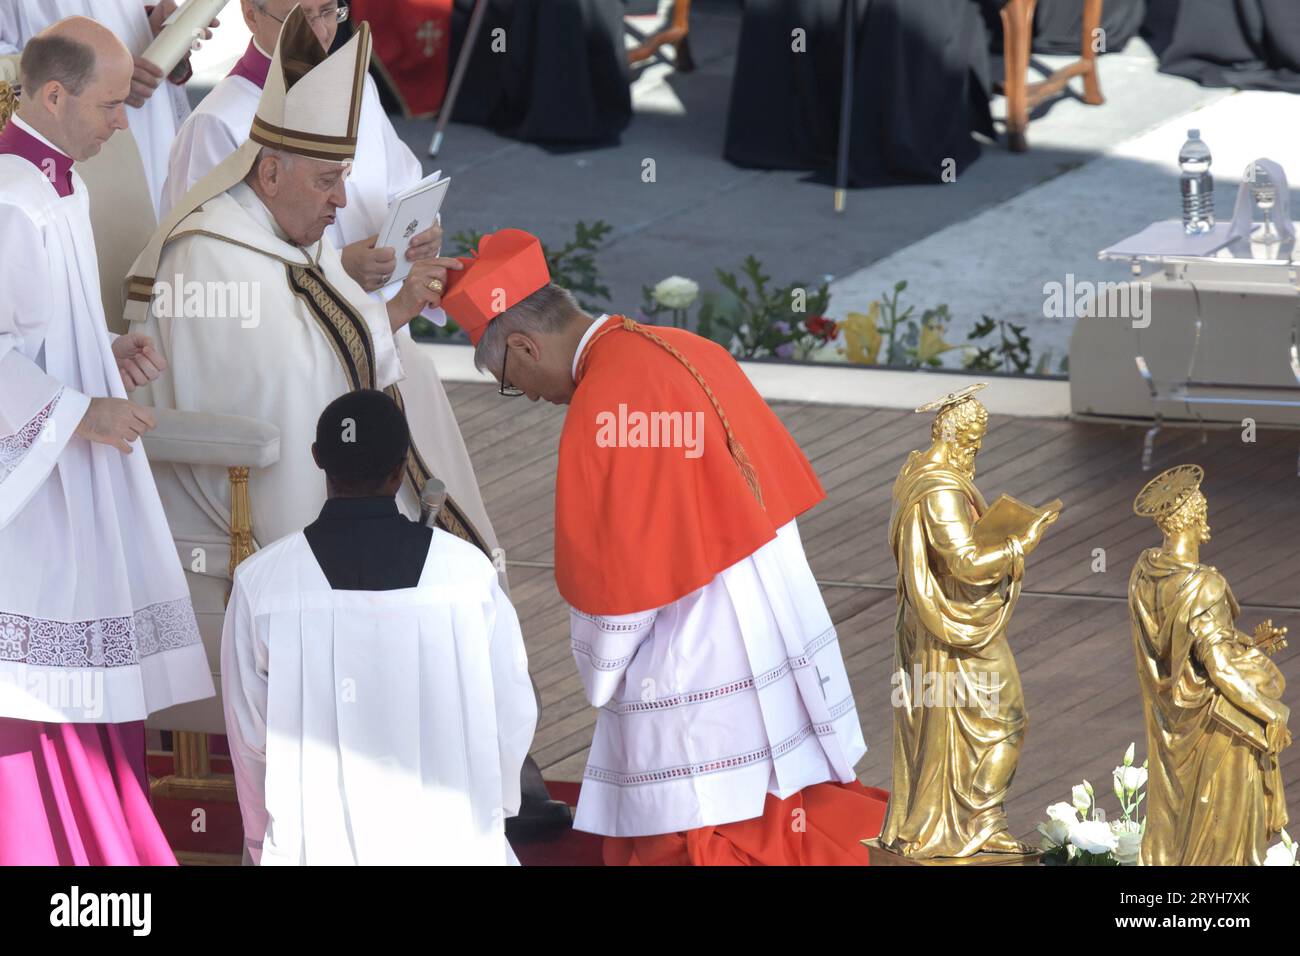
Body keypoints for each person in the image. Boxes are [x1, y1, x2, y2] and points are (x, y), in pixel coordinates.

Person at [438, 228, 887, 866]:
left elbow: (617, 575)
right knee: (777, 795)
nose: (529, 396)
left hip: (696, 634)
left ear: (523, 344)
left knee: (692, 822)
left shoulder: (602, 403)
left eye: (509, 378)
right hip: (771, 596)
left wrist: (602, 665)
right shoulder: (686, 346)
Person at [0, 16, 213, 866]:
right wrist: (78, 413)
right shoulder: (10, 202)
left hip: (72, 467)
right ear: (53, 96)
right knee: (37, 680)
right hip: (33, 493)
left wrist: (104, 352)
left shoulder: (61, 188)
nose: (124, 123)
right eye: (111, 105)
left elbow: (46, 331)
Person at [222, 389, 536, 864]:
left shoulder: (261, 582)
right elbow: (510, 714)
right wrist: (490, 813)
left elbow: (251, 738)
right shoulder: (468, 574)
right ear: (401, 469)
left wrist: (261, 841)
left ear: (317, 460)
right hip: (454, 842)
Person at [161, 0, 439, 298]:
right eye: (300, 17)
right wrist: (337, 269)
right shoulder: (217, 122)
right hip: (289, 330)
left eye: (329, 11)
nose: (320, 31)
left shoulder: (359, 87)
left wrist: (421, 229)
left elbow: (402, 184)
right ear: (251, 14)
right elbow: (204, 257)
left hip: (382, 316)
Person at [1129, 464, 1291, 865]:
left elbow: (1183, 655)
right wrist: (1271, 712)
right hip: (1218, 730)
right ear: (1195, 517)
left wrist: (1244, 643)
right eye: (1204, 510)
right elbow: (1218, 669)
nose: (1207, 518)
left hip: (1171, 725)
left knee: (1179, 820)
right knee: (1225, 835)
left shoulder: (1144, 571)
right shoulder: (1204, 586)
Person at [1, 1, 206, 216]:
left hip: (150, 114)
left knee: (156, 213)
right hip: (69, 129)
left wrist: (152, 28)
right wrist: (101, 75)